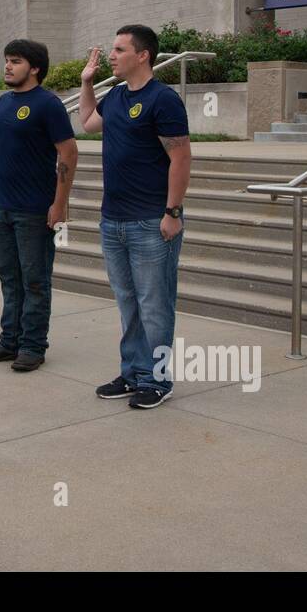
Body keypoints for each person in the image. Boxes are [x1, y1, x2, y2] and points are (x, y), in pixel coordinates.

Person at [79, 26, 191, 409]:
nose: (111, 55)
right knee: (128, 301)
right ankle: (133, 373)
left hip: (150, 220)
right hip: (114, 219)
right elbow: (88, 123)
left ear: (142, 55)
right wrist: (87, 82)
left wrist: (172, 212)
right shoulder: (116, 96)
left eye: (119, 49)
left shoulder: (164, 100)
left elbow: (181, 157)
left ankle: (157, 380)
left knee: (155, 304)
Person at [0, 40, 77, 372]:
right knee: (9, 277)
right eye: (7, 61)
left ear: (35, 68)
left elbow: (69, 153)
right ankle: (9, 341)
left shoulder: (48, 104)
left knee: (34, 279)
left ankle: (33, 345)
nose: (8, 66)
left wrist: (59, 204)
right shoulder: (7, 100)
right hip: (3, 205)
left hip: (35, 208)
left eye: (15, 61)